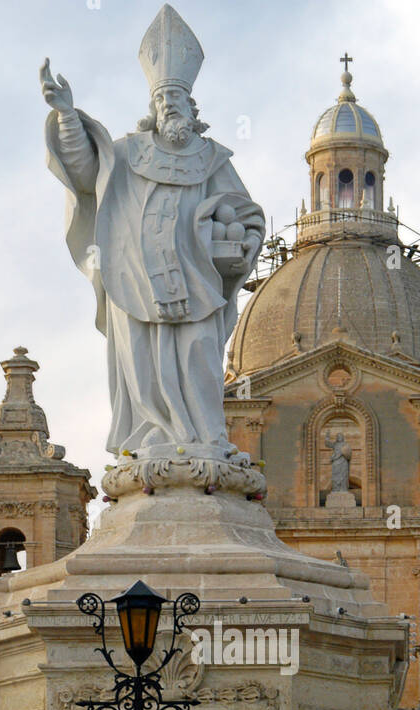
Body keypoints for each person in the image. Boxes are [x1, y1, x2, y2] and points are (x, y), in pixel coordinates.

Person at [41, 6, 264, 465]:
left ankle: (206, 439)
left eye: (177, 102)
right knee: (141, 367)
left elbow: (245, 213)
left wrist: (240, 237)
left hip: (197, 279)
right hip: (135, 279)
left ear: (192, 110)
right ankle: (151, 440)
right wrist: (66, 116)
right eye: (163, 102)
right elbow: (85, 173)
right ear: (153, 109)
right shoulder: (126, 154)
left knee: (199, 356)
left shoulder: (214, 160)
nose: (170, 109)